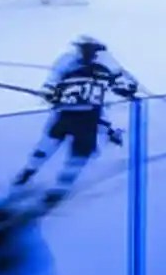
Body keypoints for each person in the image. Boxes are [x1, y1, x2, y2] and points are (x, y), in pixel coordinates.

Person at [11, 36, 137, 212]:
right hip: (71, 114)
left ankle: (53, 185)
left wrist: (126, 88)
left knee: (73, 152)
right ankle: (29, 174)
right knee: (53, 147)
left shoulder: (102, 68)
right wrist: (50, 94)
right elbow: (51, 86)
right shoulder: (73, 66)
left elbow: (126, 85)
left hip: (84, 117)